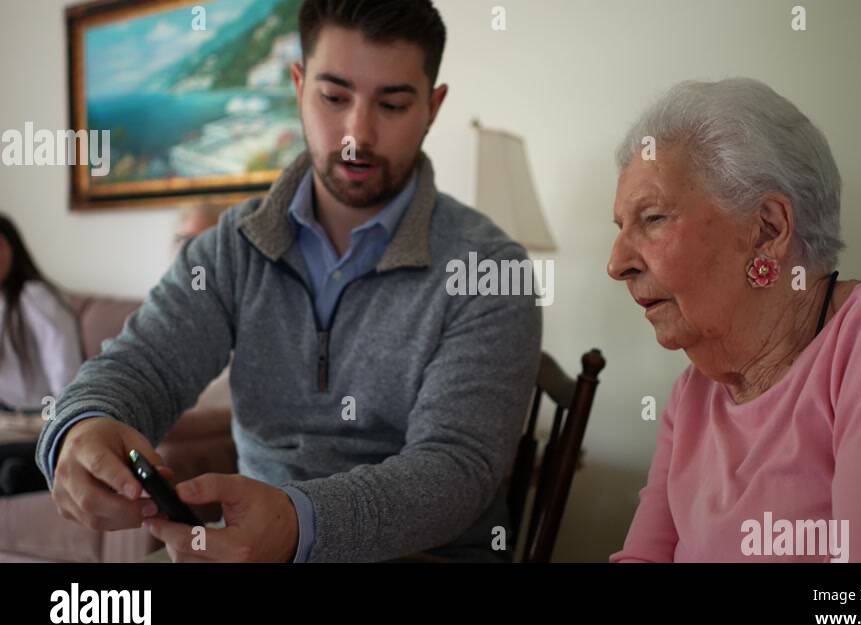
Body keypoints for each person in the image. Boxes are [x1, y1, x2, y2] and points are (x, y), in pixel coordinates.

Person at [36, 0, 542, 563]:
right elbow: (144, 364)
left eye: (393, 104)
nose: (357, 134)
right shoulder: (234, 247)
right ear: (298, 85)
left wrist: (300, 524)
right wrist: (80, 428)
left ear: (433, 107)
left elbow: (455, 470)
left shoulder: (492, 270)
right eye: (333, 97)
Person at [607, 78, 861, 562]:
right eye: (621, 228)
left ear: (768, 229)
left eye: (653, 219)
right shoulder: (694, 394)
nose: (617, 262)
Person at [0, 213, 82, 494]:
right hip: (6, 418)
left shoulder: (35, 297)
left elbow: (65, 370)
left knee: (13, 467)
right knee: (11, 471)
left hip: (38, 418)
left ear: (14, 249)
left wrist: (64, 423)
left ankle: (38, 466)